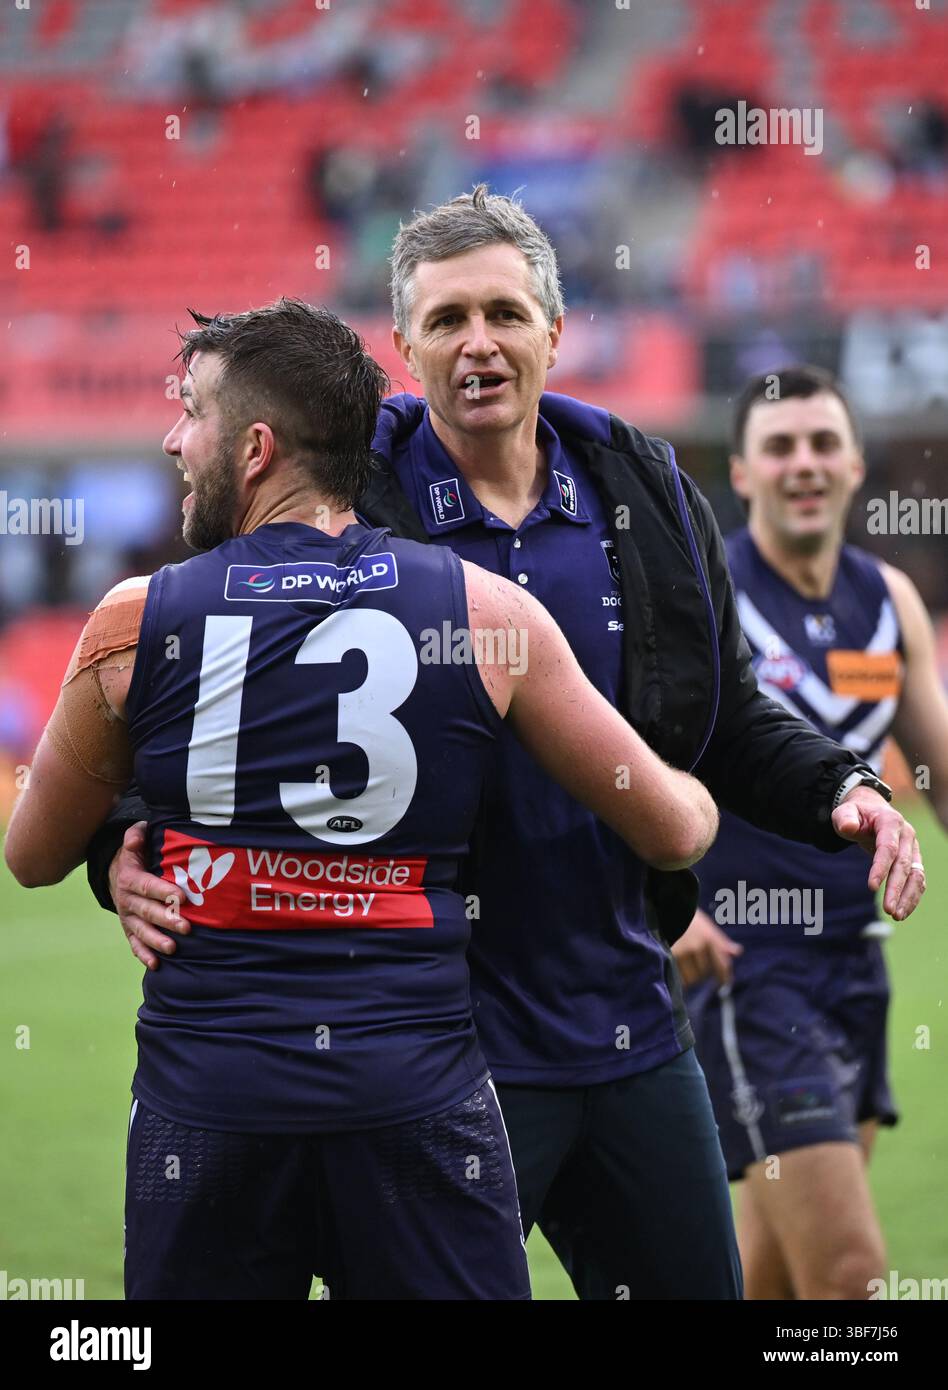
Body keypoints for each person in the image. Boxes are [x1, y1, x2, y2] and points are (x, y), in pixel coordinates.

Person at [87, 191, 924, 1301]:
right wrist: (118, 840)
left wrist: (844, 786)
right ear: (403, 348)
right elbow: (177, 670)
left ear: (554, 331)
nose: (478, 341)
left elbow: (722, 714)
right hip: (434, 1049)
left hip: (630, 1023)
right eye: (445, 321)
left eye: (503, 312)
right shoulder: (344, 500)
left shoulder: (646, 488)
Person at [5, 299, 720, 1301]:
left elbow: (32, 852)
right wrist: (703, 790)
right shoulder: (484, 610)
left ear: (254, 449)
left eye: (191, 413)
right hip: (416, 1107)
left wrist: (134, 839)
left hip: (210, 1109)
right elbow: (675, 827)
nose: (173, 438)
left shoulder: (135, 621)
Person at [674, 365, 948, 1300]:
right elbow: (625, 765)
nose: (805, 464)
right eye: (780, 446)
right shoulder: (705, 599)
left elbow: (942, 781)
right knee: (854, 1276)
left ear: (856, 463)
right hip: (748, 970)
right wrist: (665, 908)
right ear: (741, 473)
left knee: (778, 1281)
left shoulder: (890, 601)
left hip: (856, 969)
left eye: (823, 443)